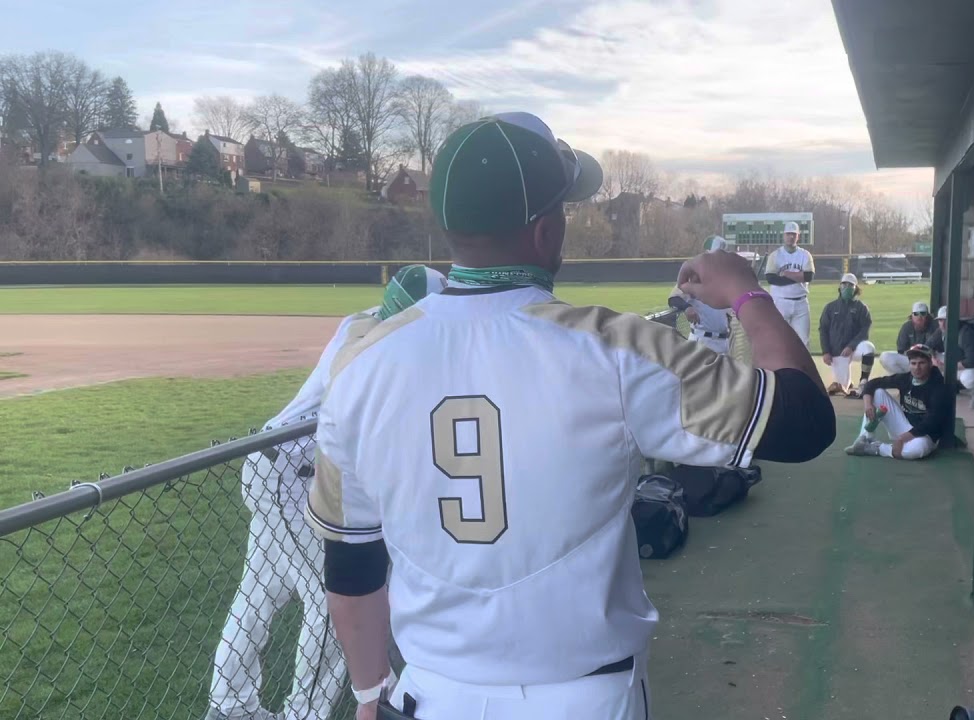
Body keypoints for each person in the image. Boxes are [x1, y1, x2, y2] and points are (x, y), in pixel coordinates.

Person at [306, 111, 836, 720]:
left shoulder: (359, 365)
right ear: (545, 232)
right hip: (584, 696)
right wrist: (748, 293)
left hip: (430, 694)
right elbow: (804, 421)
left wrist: (369, 694)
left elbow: (351, 564)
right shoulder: (615, 349)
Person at [205, 265, 444, 720]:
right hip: (293, 477)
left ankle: (229, 705)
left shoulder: (363, 322)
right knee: (331, 598)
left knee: (260, 591)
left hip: (275, 467)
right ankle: (304, 713)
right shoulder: (377, 349)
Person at [844, 343, 952, 460]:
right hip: (904, 425)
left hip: (925, 434)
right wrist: (868, 405)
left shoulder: (938, 387)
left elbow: (932, 421)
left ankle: (878, 448)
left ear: (930, 364)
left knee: (918, 449)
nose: (917, 368)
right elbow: (872, 383)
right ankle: (864, 439)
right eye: (913, 363)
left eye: (922, 363)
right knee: (877, 393)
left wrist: (903, 438)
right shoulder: (906, 378)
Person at [668, 235, 734, 355]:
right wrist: (687, 307)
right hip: (702, 342)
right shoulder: (695, 275)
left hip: (724, 343)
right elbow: (673, 299)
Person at [819, 272, 875, 396]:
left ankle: (863, 381)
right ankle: (847, 382)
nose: (847, 287)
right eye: (844, 284)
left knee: (869, 348)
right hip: (837, 351)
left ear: (856, 288)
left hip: (854, 349)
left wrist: (851, 346)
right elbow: (823, 330)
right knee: (840, 386)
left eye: (850, 285)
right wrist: (825, 351)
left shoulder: (861, 308)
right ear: (840, 287)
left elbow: (864, 331)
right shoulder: (830, 307)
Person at [763, 221, 815, 347]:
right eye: (788, 234)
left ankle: (801, 362)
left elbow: (809, 276)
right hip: (780, 302)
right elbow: (771, 278)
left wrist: (787, 274)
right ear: (784, 235)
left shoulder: (805, 255)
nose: (791, 237)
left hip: (801, 303)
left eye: (793, 234)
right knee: (778, 341)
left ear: (798, 236)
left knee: (803, 342)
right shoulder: (776, 255)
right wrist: (798, 276)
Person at [932, 305, 974, 407]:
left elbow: (973, 360)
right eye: (940, 320)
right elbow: (927, 346)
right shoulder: (941, 331)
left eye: (946, 320)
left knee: (967, 378)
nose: (943, 324)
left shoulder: (966, 333)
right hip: (956, 364)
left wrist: (947, 367)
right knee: (928, 361)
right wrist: (933, 360)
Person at [880, 301, 937, 375]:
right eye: (916, 314)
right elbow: (901, 350)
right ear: (912, 316)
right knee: (885, 357)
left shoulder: (935, 326)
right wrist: (912, 354)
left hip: (930, 361)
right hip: (911, 360)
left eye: (923, 313)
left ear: (927, 316)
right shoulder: (906, 327)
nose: (919, 317)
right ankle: (904, 378)